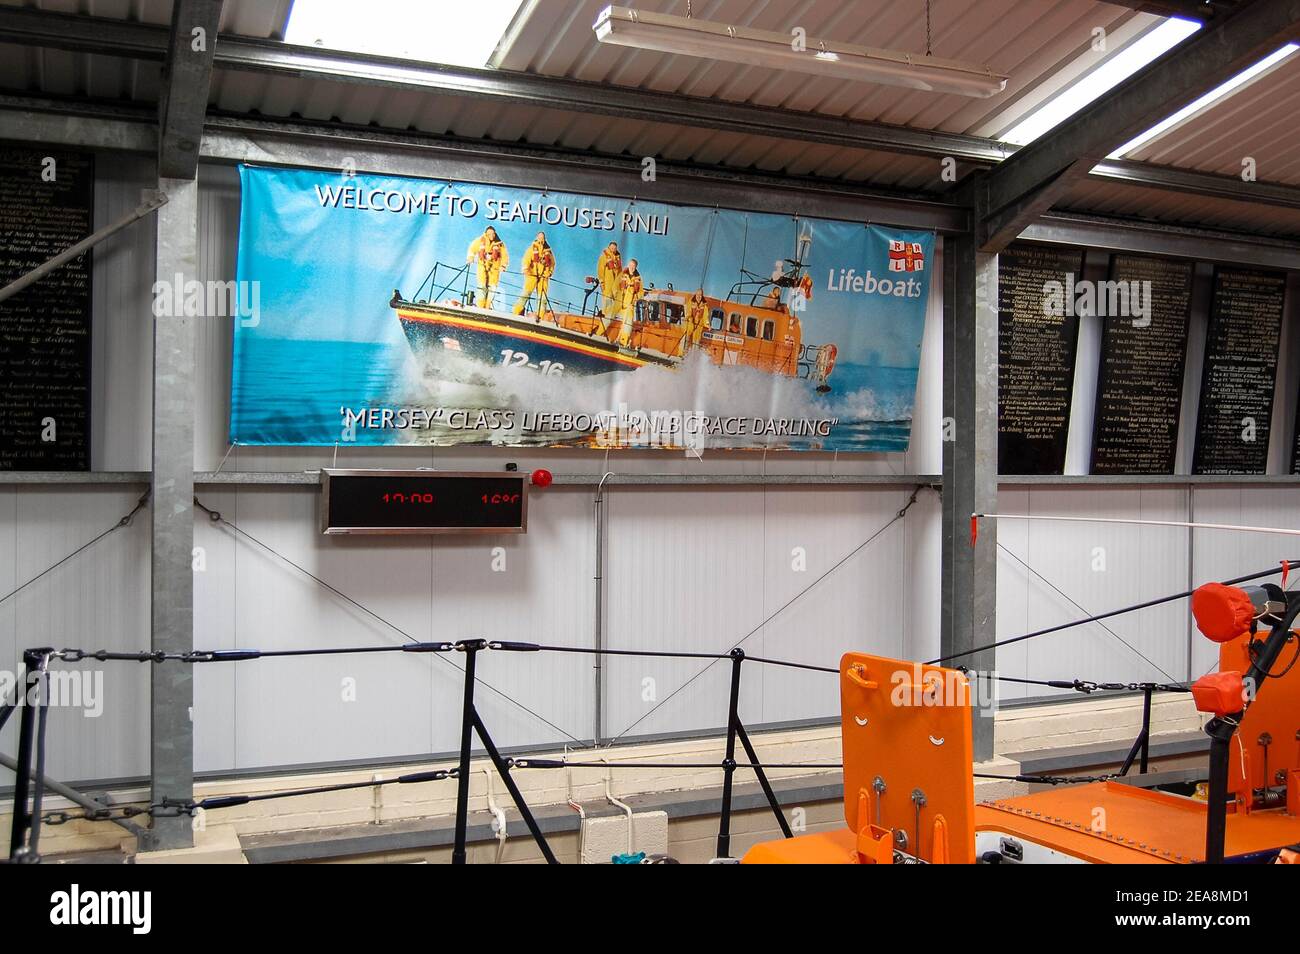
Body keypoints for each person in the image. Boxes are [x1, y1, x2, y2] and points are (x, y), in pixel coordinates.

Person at [513, 232, 556, 316]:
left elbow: (552, 263)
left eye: (542, 238)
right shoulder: (532, 248)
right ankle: (516, 312)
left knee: (542, 298)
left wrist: (550, 272)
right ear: (537, 237)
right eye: (540, 237)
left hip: (543, 277)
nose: (541, 239)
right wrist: (525, 269)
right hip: (532, 275)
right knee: (525, 294)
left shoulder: (548, 251)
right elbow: (526, 259)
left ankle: (541, 316)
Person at [466, 226, 509, 309]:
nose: (491, 235)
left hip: (495, 268)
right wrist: (470, 257)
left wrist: (503, 265)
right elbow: (472, 249)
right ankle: (480, 306)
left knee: (492, 287)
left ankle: (487, 306)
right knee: (482, 286)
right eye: (489, 233)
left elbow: (504, 255)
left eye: (493, 233)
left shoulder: (500, 243)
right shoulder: (480, 240)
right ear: (486, 233)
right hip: (482, 265)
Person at [615, 259, 644, 349]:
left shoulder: (638, 279)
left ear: (635, 267)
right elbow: (617, 286)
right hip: (621, 302)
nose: (631, 267)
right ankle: (617, 339)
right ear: (628, 265)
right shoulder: (623, 274)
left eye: (633, 266)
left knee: (627, 323)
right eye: (630, 265)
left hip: (630, 304)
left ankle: (623, 341)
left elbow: (640, 292)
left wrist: (634, 299)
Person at [596, 241, 621, 316]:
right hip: (607, 282)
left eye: (615, 248)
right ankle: (605, 314)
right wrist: (601, 281)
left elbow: (620, 270)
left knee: (615, 299)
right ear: (609, 247)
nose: (613, 249)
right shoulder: (604, 256)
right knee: (607, 298)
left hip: (615, 283)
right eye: (612, 247)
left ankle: (612, 315)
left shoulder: (618, 257)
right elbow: (600, 269)